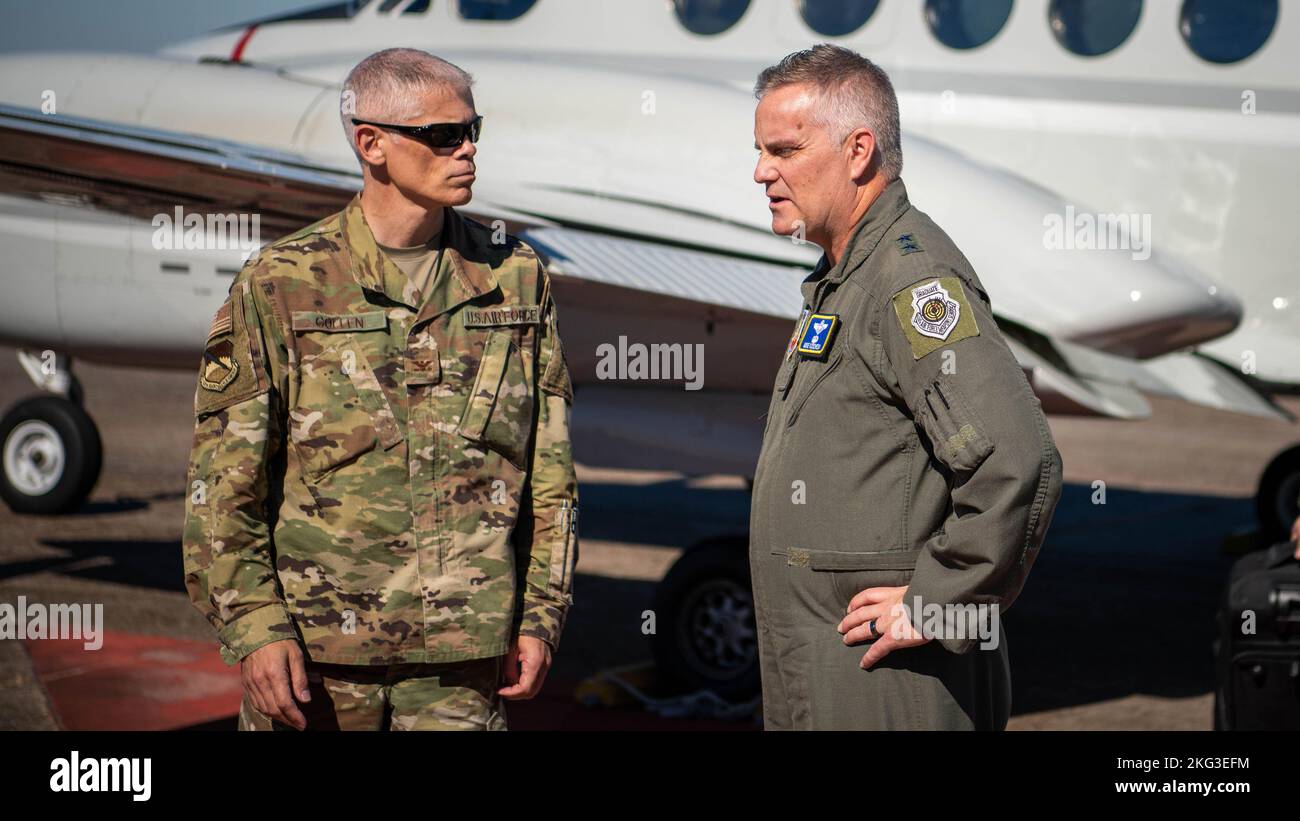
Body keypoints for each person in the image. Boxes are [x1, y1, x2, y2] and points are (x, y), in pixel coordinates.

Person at [181, 48, 577, 731]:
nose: (469, 149)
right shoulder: (284, 282)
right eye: (444, 134)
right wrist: (255, 625)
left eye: (473, 129)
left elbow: (550, 472)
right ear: (372, 145)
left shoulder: (513, 278)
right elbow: (223, 485)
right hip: (318, 662)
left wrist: (542, 613)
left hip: (462, 666)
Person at [748, 44, 1063, 730]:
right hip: (836, 675)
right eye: (761, 151)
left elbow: (1017, 459)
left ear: (858, 150)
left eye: (784, 150)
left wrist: (937, 601)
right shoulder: (849, 277)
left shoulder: (908, 281)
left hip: (890, 687)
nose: (761, 172)